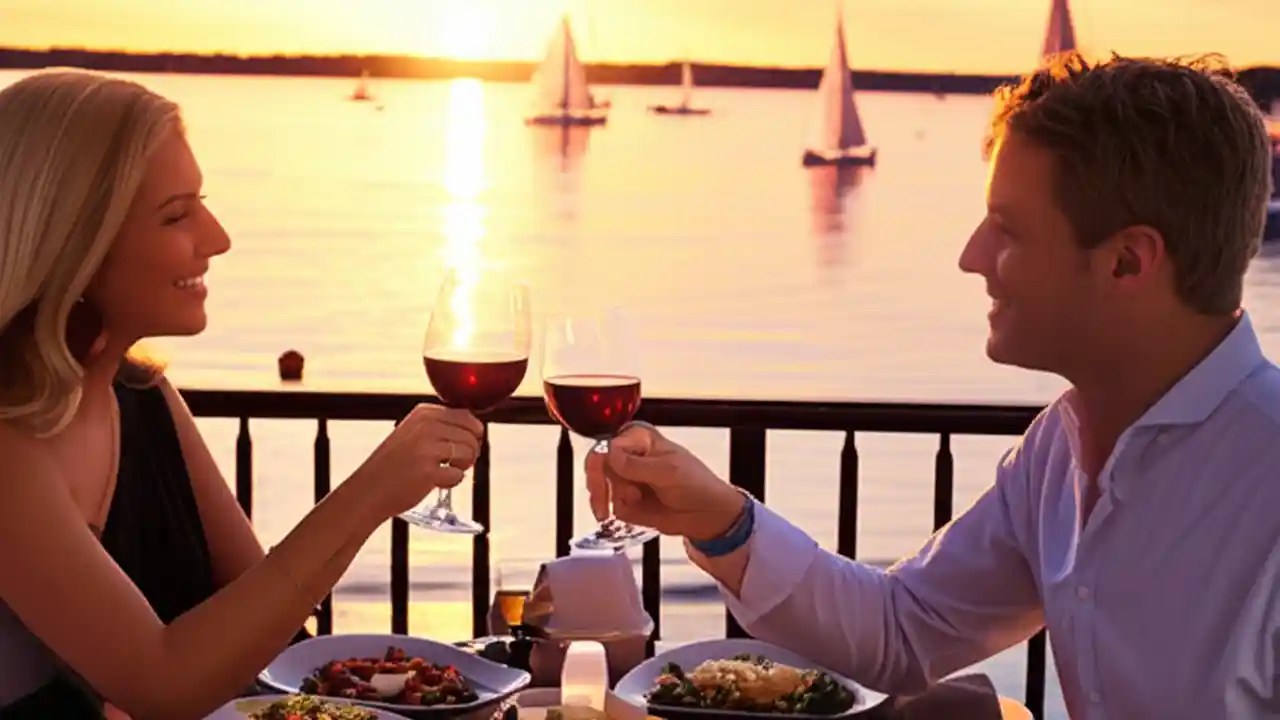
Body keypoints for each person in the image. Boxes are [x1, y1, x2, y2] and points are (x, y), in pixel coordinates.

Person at [587, 53, 1279, 718]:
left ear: (1126, 262)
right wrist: (718, 520)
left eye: (1007, 229)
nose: (971, 257)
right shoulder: (1057, 450)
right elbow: (904, 630)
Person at [0, 70, 484, 718]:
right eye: (177, 215)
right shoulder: (9, 445)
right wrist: (373, 491)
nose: (217, 239)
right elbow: (161, 683)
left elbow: (265, 626)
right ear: (73, 243)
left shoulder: (142, 395)